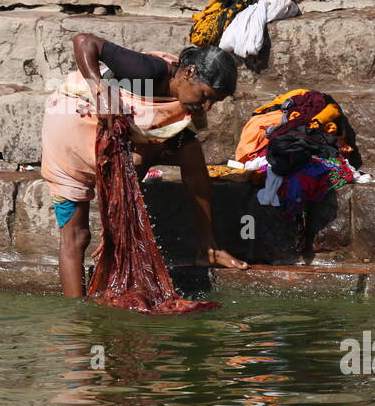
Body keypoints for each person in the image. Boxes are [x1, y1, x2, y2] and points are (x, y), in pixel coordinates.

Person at [41, 32, 249, 297]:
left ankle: (207, 248)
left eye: (214, 101)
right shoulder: (147, 72)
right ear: (189, 73)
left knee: (190, 150)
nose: (206, 107)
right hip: (70, 130)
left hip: (117, 137)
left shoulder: (182, 101)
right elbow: (84, 41)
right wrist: (100, 89)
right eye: (205, 96)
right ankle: (75, 322)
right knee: (76, 236)